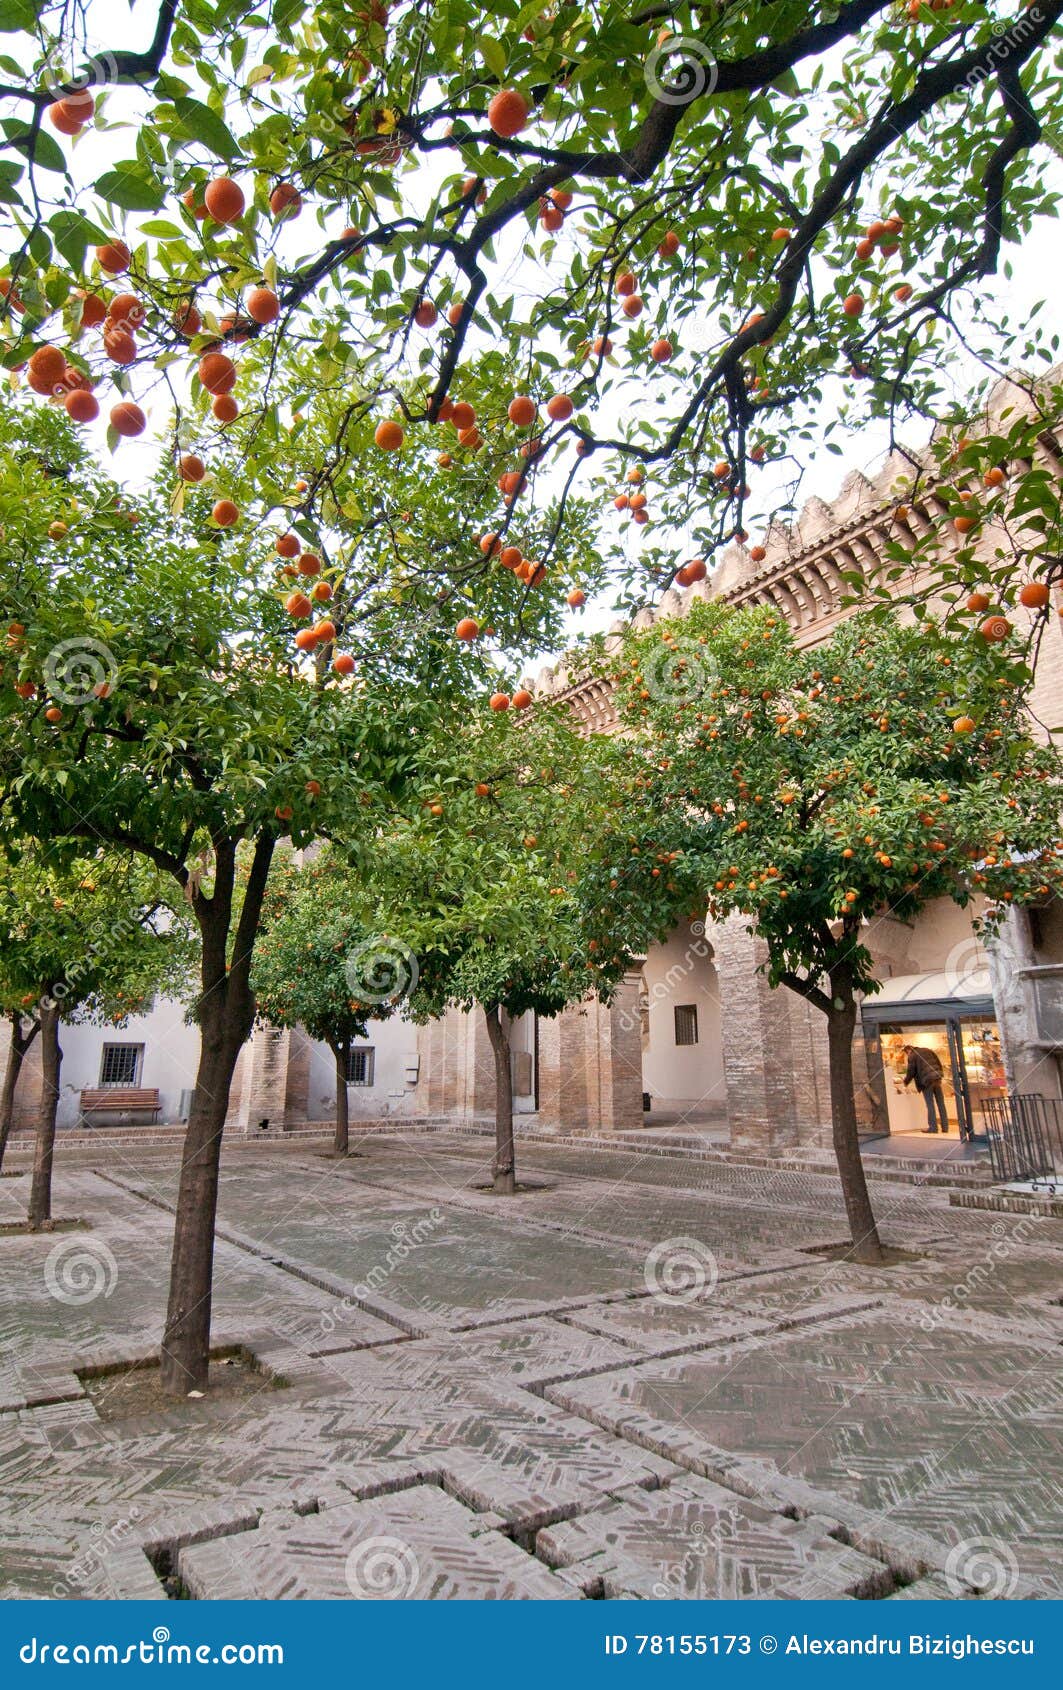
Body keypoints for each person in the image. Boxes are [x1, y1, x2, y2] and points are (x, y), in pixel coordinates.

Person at [902, 1043, 951, 1135]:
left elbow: (911, 1071)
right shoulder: (928, 1050)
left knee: (930, 1104)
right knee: (941, 1103)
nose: (907, 1055)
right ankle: (945, 1127)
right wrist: (939, 1075)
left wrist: (905, 1082)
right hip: (937, 1078)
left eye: (906, 1053)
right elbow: (939, 1063)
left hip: (926, 1081)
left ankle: (933, 1127)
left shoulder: (912, 1055)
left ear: (908, 1051)